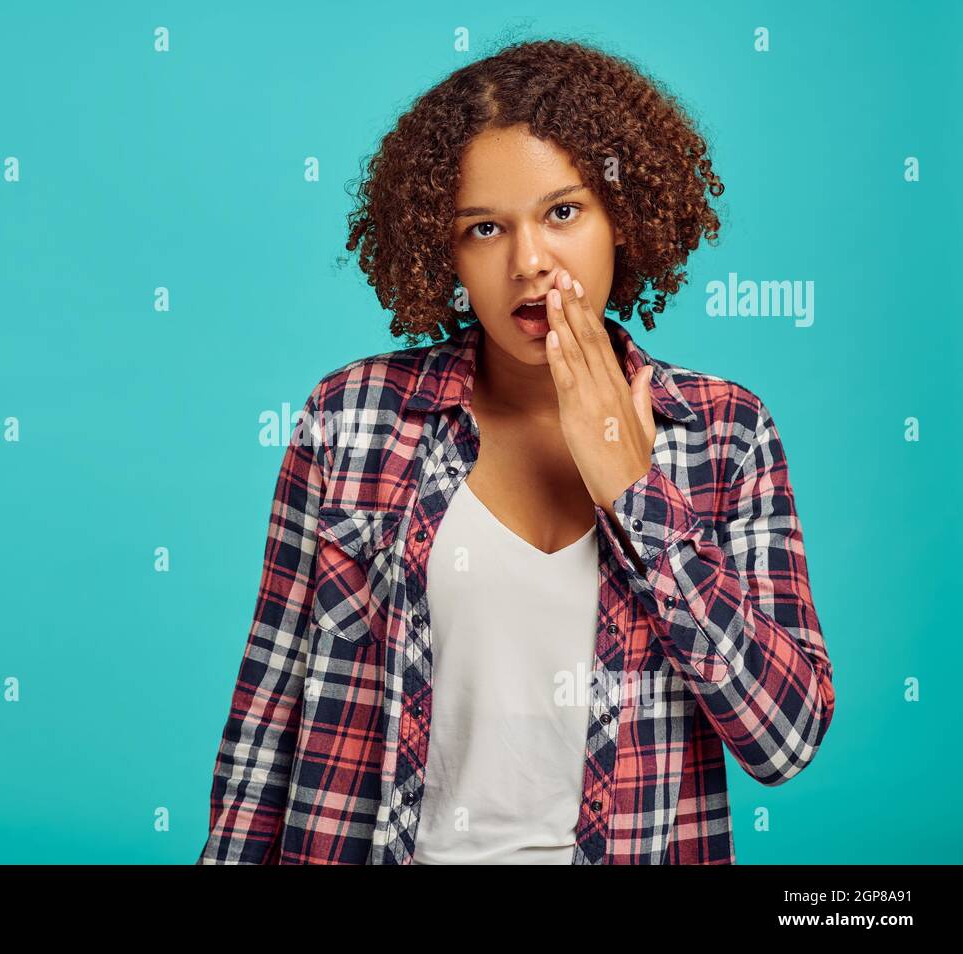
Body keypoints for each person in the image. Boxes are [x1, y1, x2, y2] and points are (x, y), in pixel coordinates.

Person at [198, 37, 836, 865]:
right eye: (485, 227)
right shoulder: (349, 420)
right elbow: (267, 717)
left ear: (622, 219)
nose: (529, 261)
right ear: (447, 250)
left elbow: (782, 740)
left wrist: (635, 490)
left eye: (563, 213)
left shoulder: (724, 434)